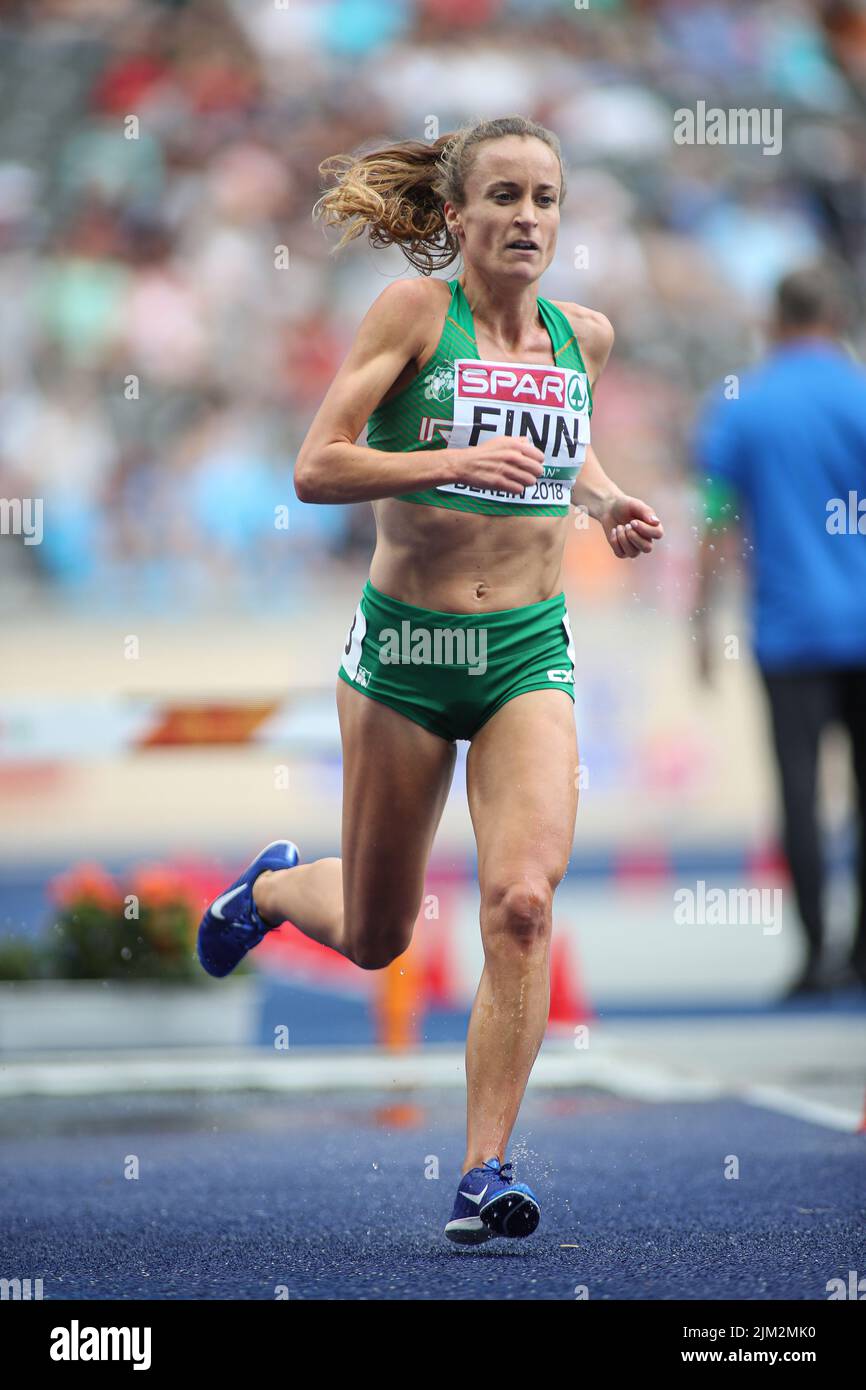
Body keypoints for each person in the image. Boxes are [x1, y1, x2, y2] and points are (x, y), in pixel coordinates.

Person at [197, 115, 663, 1243]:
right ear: (456, 215)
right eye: (502, 196)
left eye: (543, 199)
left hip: (523, 655)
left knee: (519, 902)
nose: (525, 217)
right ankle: (268, 886)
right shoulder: (414, 315)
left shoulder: (580, 336)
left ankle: (483, 1166)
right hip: (406, 655)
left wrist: (603, 502)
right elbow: (316, 466)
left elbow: (567, 450)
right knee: (375, 933)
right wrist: (449, 457)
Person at [693, 264, 866, 999]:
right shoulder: (860, 394)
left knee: (798, 790)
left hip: (789, 630)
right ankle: (861, 954)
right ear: (834, 316)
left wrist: (701, 624)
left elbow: (714, 522)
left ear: (775, 318)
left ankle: (815, 953)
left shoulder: (744, 406)